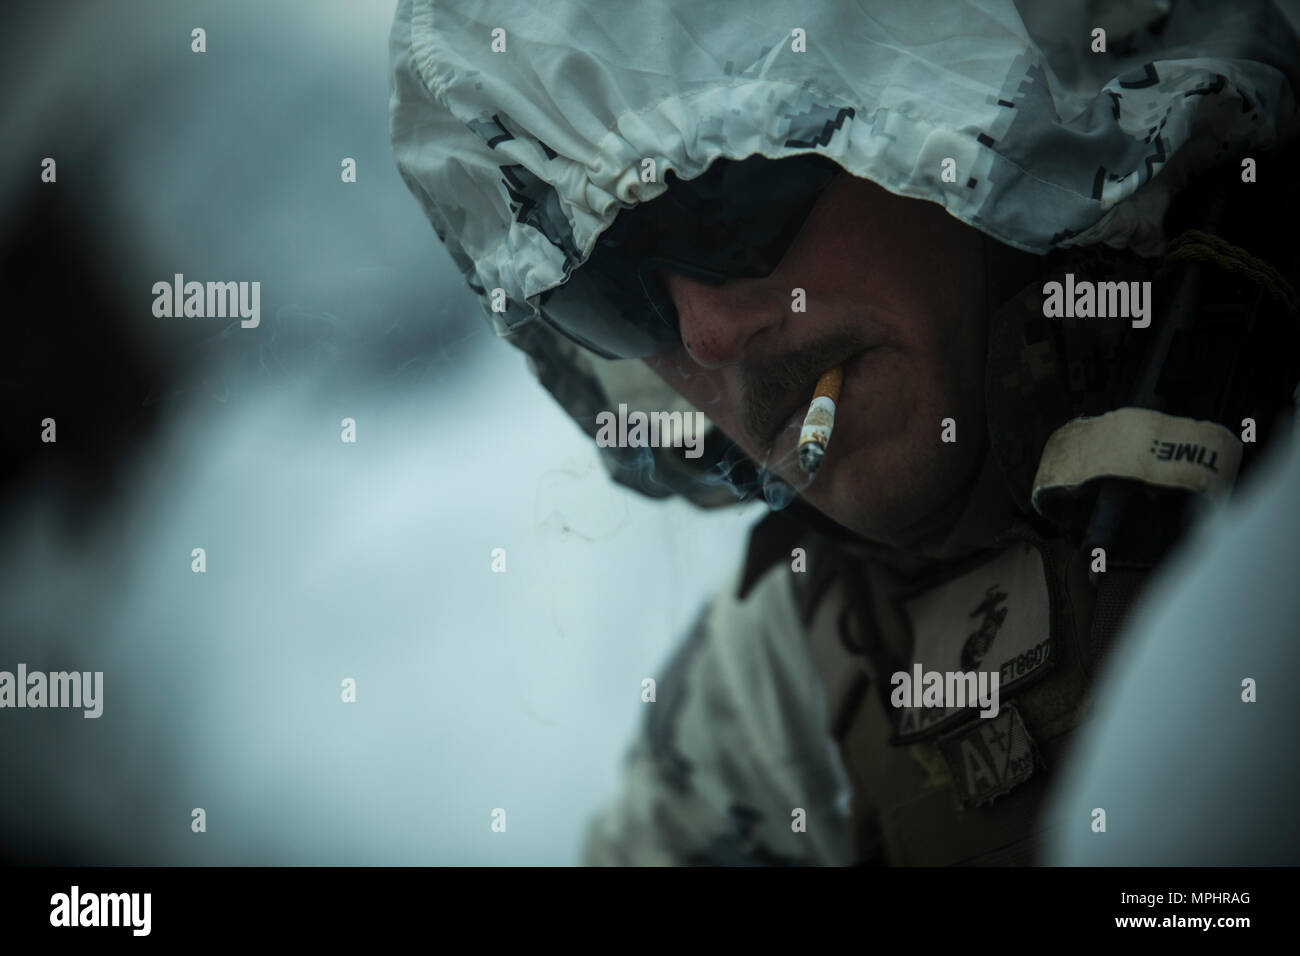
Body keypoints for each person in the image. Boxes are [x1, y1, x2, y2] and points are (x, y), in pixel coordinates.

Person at [388, 0, 1300, 864]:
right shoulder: (771, 687)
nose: (708, 333)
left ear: (950, 109)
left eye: (725, 201)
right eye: (615, 299)